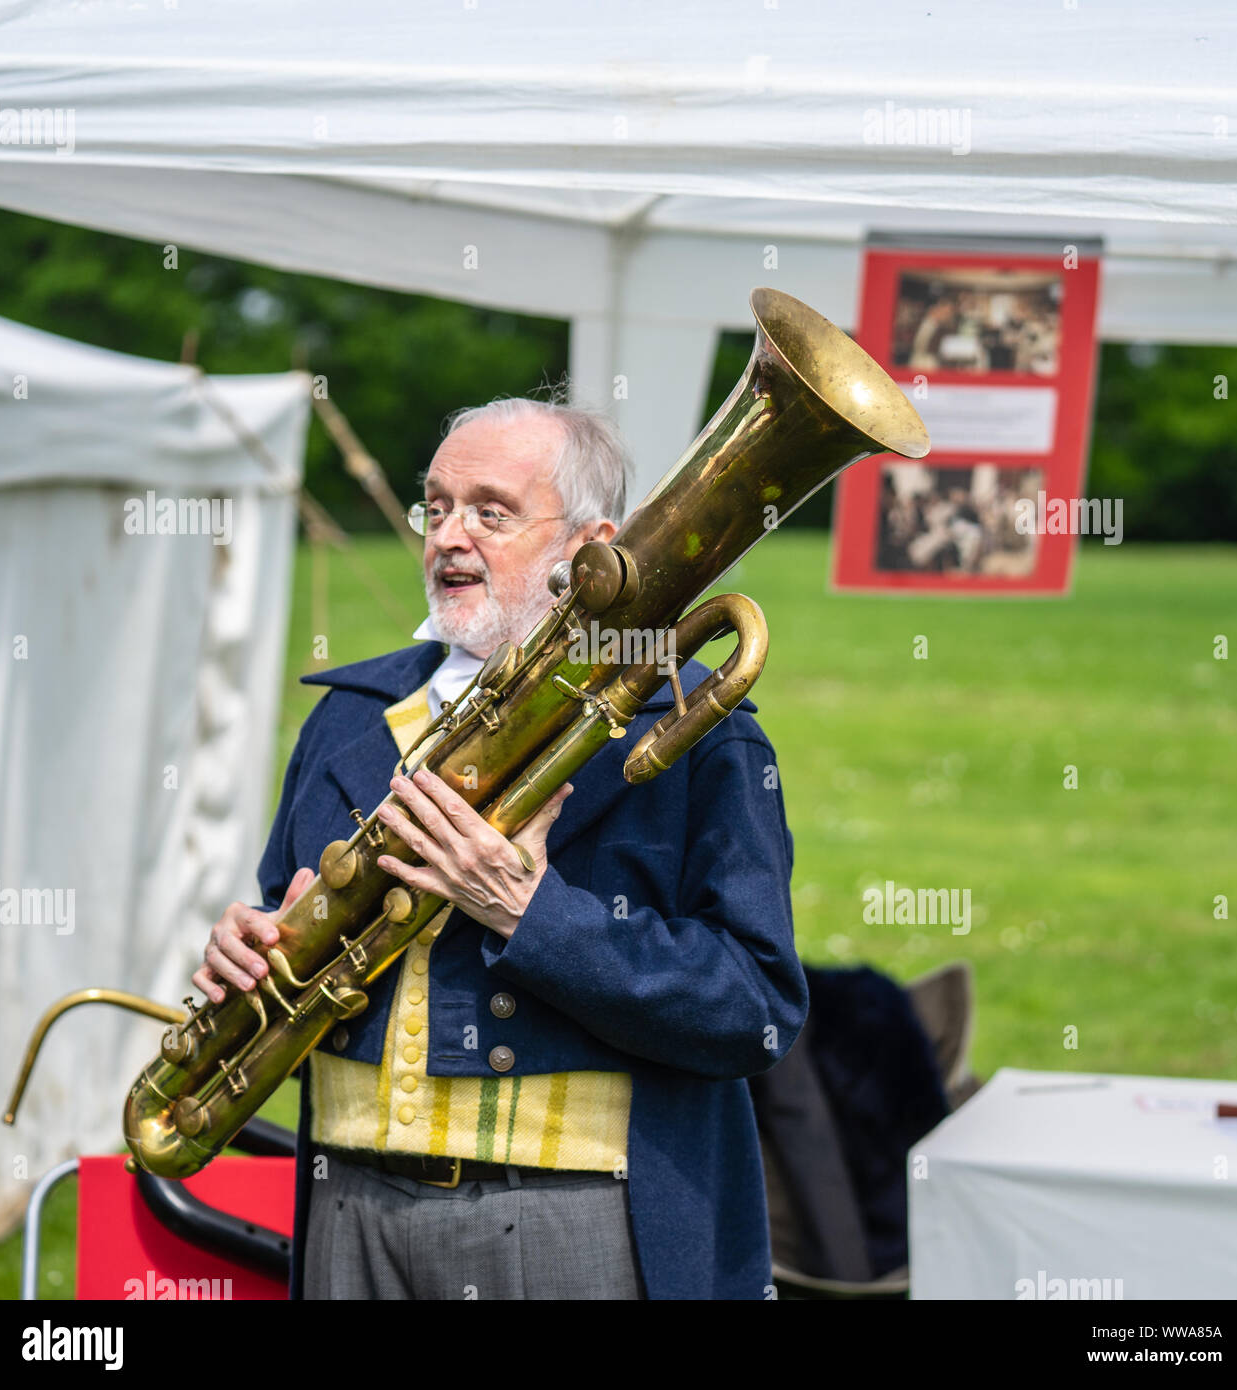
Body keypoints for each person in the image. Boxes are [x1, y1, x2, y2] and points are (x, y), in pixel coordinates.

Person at [193, 395, 807, 1300]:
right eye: (435, 507)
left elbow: (754, 1007)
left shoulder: (701, 736)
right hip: (348, 1210)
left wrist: (532, 913)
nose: (449, 536)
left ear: (589, 547)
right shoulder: (348, 717)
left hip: (574, 1221)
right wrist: (249, 946)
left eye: (491, 510)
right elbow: (285, 914)